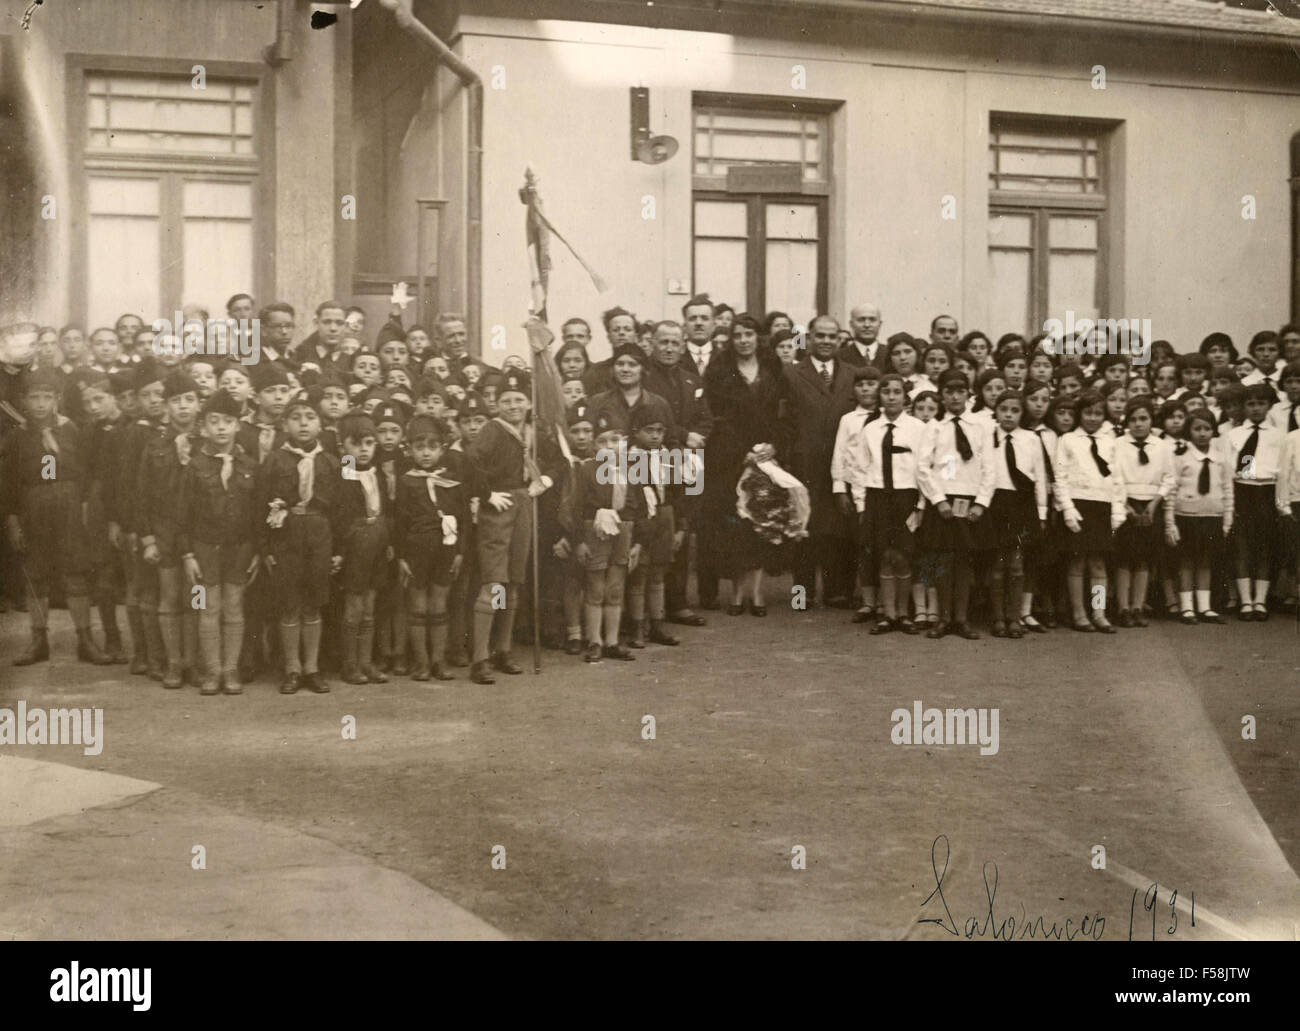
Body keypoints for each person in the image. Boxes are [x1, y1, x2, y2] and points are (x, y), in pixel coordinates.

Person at [4, 367, 111, 666]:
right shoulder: (17, 437)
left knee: (75, 574)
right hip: (34, 510)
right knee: (36, 575)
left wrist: (87, 509)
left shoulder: (72, 430)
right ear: (24, 400)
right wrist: (13, 520)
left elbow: (88, 473)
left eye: (47, 397)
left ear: (58, 399)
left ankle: (85, 640)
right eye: (34, 397)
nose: (40, 404)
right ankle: (39, 641)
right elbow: (10, 484)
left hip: (69, 509)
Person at [465, 370, 556, 684]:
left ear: (529, 402)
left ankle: (502, 649)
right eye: (506, 400)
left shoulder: (534, 431)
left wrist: (545, 479)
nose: (513, 405)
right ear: (496, 403)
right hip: (499, 509)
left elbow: (560, 460)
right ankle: (480, 658)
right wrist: (487, 493)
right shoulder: (492, 429)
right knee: (495, 581)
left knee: (514, 581)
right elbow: (470, 462)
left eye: (519, 399)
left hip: (525, 505)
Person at [701, 311, 789, 614]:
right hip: (732, 458)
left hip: (767, 456)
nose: (743, 341)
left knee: (763, 520)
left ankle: (758, 592)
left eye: (748, 334)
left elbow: (785, 412)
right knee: (737, 524)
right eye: (737, 335)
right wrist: (742, 452)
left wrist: (773, 446)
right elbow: (717, 418)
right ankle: (737, 594)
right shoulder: (719, 370)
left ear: (758, 337)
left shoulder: (773, 367)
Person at [177, 389, 259, 695]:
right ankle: (212, 671)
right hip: (204, 549)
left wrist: (257, 551)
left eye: (228, 421)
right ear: (203, 428)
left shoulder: (249, 465)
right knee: (208, 607)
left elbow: (256, 513)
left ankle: (231, 669)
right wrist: (187, 555)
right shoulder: (194, 467)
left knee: (234, 607)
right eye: (214, 422)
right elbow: (182, 516)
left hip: (239, 549)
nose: (221, 428)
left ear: (238, 425)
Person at [258, 392, 340, 694]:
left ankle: (313, 667)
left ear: (320, 424)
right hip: (286, 535)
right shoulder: (274, 460)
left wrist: (339, 550)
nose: (303, 424)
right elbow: (260, 505)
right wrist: (266, 547)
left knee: (314, 603)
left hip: (320, 534)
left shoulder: (331, 461)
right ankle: (292, 667)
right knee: (290, 603)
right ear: (284, 424)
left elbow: (342, 508)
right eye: (296, 418)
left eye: (310, 417)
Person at [136, 368, 204, 686]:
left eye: (189, 400)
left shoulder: (211, 441)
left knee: (196, 598)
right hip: (164, 533)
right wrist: (148, 539)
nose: (183, 407)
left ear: (199, 404)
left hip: (201, 535)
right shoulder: (154, 446)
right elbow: (143, 496)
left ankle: (193, 661)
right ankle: (174, 663)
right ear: (166, 407)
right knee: (169, 598)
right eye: (175, 401)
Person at [785, 314, 857, 608]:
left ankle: (836, 591)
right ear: (809, 339)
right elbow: (784, 421)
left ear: (839, 339)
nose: (826, 341)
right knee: (804, 529)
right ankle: (801, 595)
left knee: (838, 529)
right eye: (820, 336)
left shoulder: (853, 374)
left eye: (832, 336)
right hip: (805, 463)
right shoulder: (791, 373)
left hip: (842, 465)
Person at [914, 370, 992, 640]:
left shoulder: (981, 426)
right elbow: (923, 467)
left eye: (960, 391)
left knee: (964, 562)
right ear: (942, 395)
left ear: (969, 394)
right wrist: (938, 500)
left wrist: (981, 503)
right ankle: (944, 618)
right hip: (944, 501)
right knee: (944, 561)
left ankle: (962, 619)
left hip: (970, 501)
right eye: (949, 391)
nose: (955, 396)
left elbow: (989, 468)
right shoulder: (934, 427)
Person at [861, 373, 928, 634]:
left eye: (897, 392)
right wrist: (861, 504)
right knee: (885, 556)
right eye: (886, 392)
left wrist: (921, 504)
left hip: (906, 496)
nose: (891, 396)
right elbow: (861, 467)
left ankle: (903, 614)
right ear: (880, 396)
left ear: (905, 396)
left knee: (903, 556)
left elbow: (924, 468)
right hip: (878, 496)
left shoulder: (917, 428)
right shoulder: (870, 429)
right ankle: (887, 615)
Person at [1054, 391, 1125, 632]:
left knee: (1098, 564)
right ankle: (1078, 613)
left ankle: (1098, 612)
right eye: (1088, 413)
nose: (1093, 418)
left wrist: (1117, 509)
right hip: (1078, 505)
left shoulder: (1110, 442)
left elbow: (1117, 478)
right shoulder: (1068, 440)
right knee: (1076, 563)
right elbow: (1060, 477)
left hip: (1101, 505)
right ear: (1079, 414)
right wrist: (1067, 508)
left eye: (1098, 413)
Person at [568, 410, 636, 662]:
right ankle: (594, 640)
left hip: (623, 528)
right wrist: (579, 541)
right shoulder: (587, 470)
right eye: (603, 441)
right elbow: (575, 508)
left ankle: (612, 641)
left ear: (624, 442)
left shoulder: (630, 469)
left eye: (616, 440)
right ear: (595, 445)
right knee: (595, 587)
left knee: (615, 587)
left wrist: (636, 541)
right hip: (593, 528)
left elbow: (636, 506)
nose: (610, 446)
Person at [983, 390, 1048, 638]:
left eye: (1015, 410)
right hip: (996, 502)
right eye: (1004, 410)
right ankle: (998, 618)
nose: (1009, 415)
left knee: (1017, 564)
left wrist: (1041, 513)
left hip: (1022, 505)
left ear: (1022, 413)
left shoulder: (1031, 439)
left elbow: (1040, 477)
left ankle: (1014, 617)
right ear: (996, 411)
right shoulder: (987, 437)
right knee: (998, 564)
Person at [1111, 396, 1174, 628]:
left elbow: (1169, 478)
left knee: (1144, 559)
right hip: (1125, 504)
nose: (1138, 424)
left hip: (1151, 505)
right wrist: (1126, 507)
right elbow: (1114, 477)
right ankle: (1123, 607)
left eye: (1143, 419)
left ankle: (1138, 606)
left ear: (1151, 420)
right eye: (1133, 419)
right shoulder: (1117, 444)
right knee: (1124, 558)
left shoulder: (1162, 446)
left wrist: (1154, 504)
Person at [624, 397, 683, 645]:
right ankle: (638, 626)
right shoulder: (629, 458)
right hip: (641, 520)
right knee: (639, 574)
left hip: (665, 516)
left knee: (658, 573)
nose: (656, 436)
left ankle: (657, 624)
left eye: (660, 431)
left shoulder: (672, 456)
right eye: (649, 430)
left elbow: (682, 493)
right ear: (636, 432)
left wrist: (681, 527)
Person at [1166, 410, 1233, 623]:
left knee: (1205, 561)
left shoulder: (1221, 458)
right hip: (1186, 516)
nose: (1202, 433)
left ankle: (1204, 607)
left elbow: (1227, 488)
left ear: (1214, 431)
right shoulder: (1181, 456)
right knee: (1186, 562)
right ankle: (1187, 607)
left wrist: (1227, 518)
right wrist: (1170, 522)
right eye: (1197, 429)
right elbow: (1172, 490)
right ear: (1189, 431)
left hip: (1212, 516)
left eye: (1207, 428)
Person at [1225, 383, 1282, 620]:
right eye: (1251, 404)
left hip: (1268, 492)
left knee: (1264, 549)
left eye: (1261, 403)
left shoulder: (1279, 436)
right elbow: (1230, 469)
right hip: (1244, 491)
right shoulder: (1234, 435)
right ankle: (1245, 601)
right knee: (1242, 548)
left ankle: (1260, 601)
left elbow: (1282, 471)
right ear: (1243, 407)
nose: (1256, 409)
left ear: (1269, 406)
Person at [832, 366, 883, 623]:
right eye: (861, 384)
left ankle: (885, 600)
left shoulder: (887, 419)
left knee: (884, 546)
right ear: (854, 390)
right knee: (862, 546)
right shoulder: (849, 420)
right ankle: (867, 600)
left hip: (883, 490)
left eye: (871, 384)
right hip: (856, 489)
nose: (866, 389)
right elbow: (840, 454)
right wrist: (840, 488)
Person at [839, 304, 885, 368]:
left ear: (879, 324)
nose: (867, 325)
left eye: (872, 320)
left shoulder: (890, 355)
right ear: (851, 324)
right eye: (861, 320)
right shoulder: (839, 357)